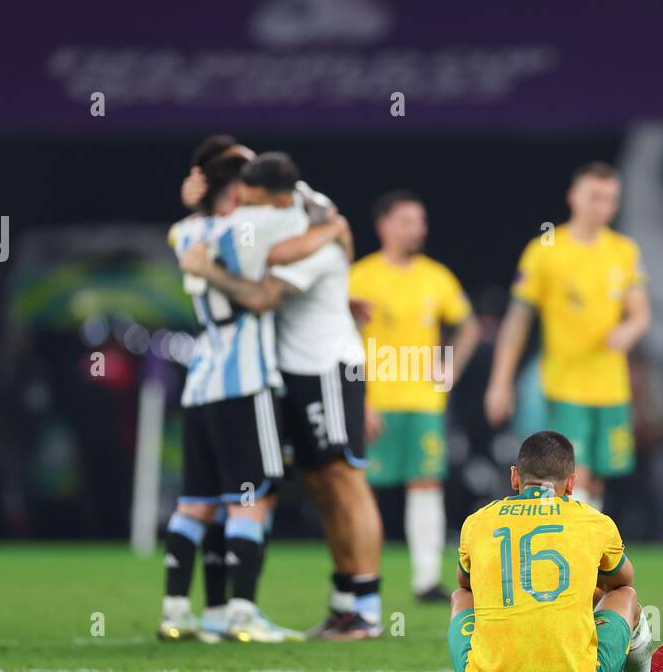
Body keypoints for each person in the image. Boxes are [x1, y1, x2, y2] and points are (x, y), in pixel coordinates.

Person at [182, 169, 386, 639]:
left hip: (328, 370)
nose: (242, 208)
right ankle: (344, 602)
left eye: (250, 201)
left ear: (276, 203)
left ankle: (369, 608)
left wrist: (207, 268)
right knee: (319, 484)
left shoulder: (312, 236)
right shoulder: (287, 228)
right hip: (292, 373)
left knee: (345, 480)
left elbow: (262, 296)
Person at [162, 152, 308, 644]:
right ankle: (243, 615)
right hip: (246, 380)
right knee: (253, 499)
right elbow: (309, 213)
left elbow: (187, 231)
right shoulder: (255, 226)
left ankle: (177, 611)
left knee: (196, 503)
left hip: (200, 379)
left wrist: (195, 197)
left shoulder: (186, 233)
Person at [449, 430, 663, 672]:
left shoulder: (477, 522)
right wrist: (581, 587)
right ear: (571, 484)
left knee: (461, 597)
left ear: (514, 477)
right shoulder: (595, 522)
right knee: (626, 597)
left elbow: (466, 584)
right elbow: (623, 582)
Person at [485, 163, 651, 510]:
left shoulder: (624, 251)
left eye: (610, 199)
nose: (602, 206)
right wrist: (500, 382)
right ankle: (580, 556)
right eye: (595, 197)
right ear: (574, 197)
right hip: (564, 385)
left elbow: (640, 315)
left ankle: (587, 551)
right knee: (576, 474)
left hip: (611, 386)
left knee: (600, 476)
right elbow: (517, 323)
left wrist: (628, 330)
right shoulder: (545, 249)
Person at [349, 191, 480, 601]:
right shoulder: (360, 277)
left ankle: (425, 580)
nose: (417, 229)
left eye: (420, 221)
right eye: (407, 221)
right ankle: (359, 575)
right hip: (377, 401)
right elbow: (342, 340)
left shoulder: (436, 277)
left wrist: (450, 371)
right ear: (383, 226)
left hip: (424, 402)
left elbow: (470, 326)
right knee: (361, 489)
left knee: (425, 484)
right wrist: (359, 401)